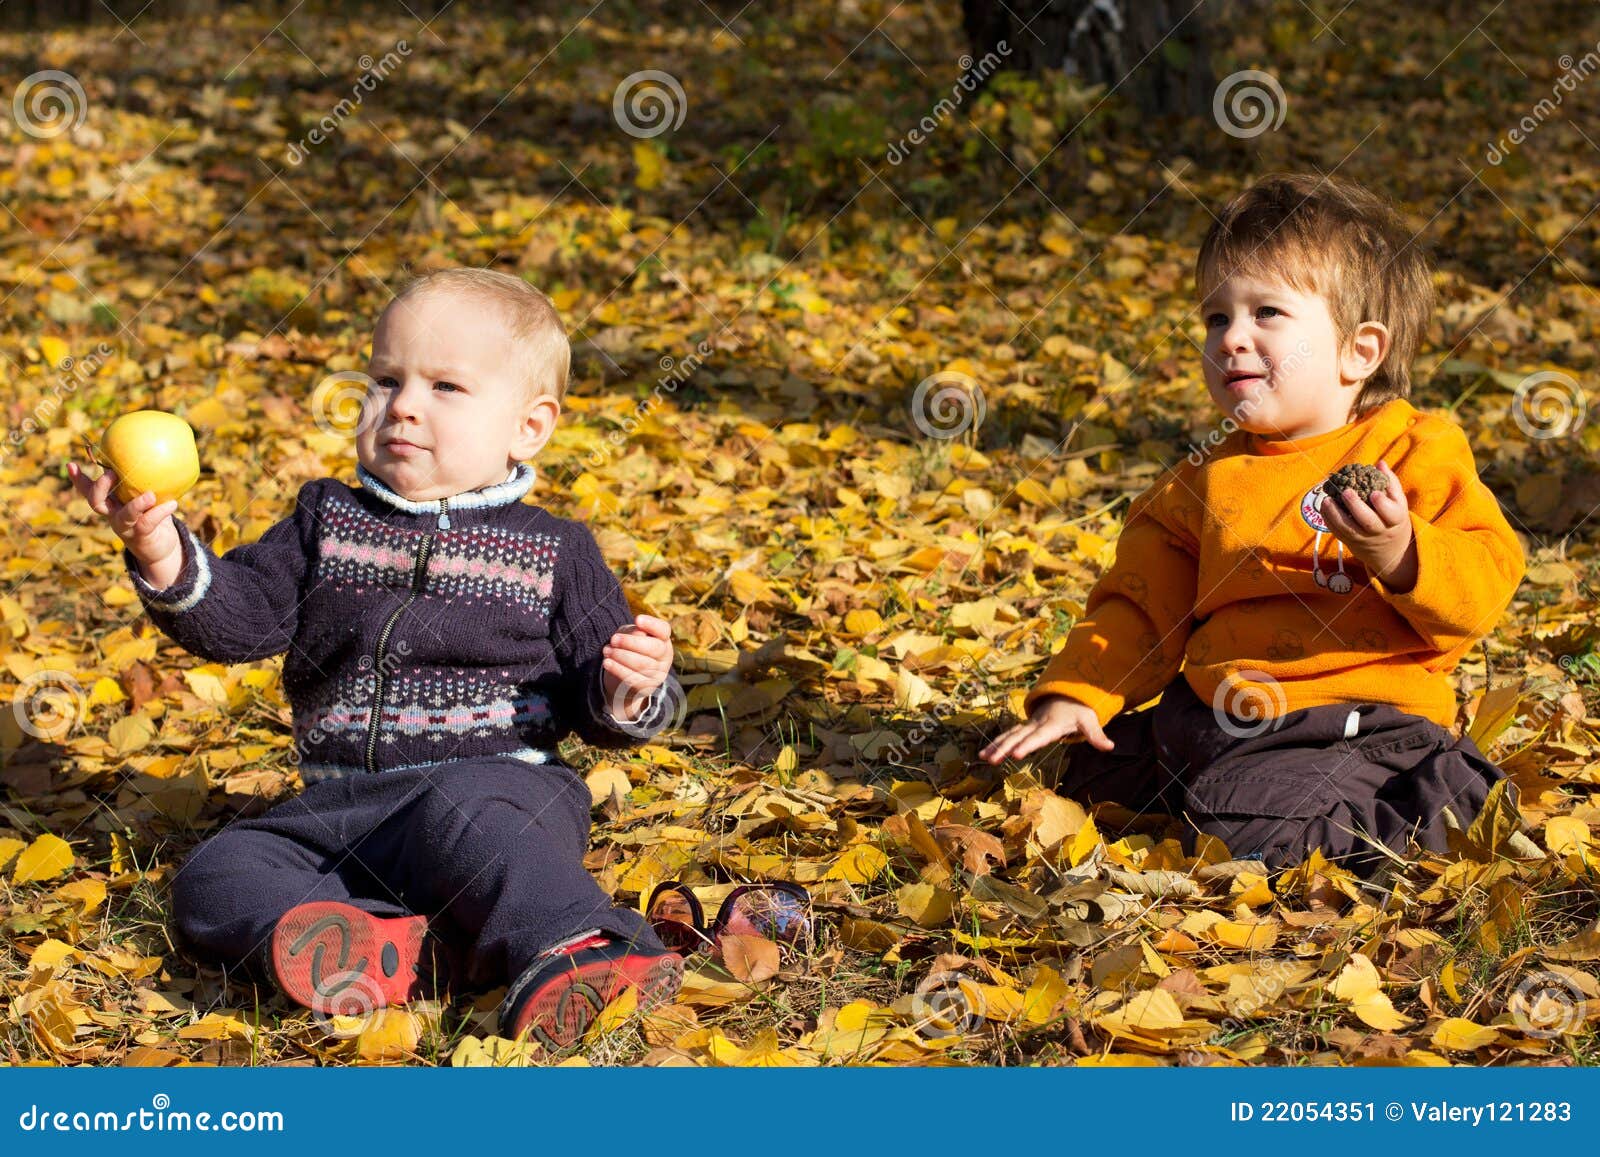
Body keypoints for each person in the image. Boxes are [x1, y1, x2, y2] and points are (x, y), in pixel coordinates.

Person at [69, 267, 684, 1048]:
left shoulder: (557, 551)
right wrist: (161, 548)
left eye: (446, 387)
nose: (403, 404)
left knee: (475, 825)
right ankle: (389, 947)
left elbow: (608, 706)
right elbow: (239, 621)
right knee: (216, 874)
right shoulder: (325, 521)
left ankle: (583, 944)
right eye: (386, 378)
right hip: (345, 809)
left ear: (528, 427)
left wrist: (631, 687)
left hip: (500, 788)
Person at [980, 173, 1526, 875]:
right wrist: (1074, 695)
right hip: (1210, 717)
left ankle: (1431, 795)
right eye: (1216, 317)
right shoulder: (1206, 476)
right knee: (1072, 771)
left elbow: (1485, 577)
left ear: (1359, 351)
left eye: (1267, 312)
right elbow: (1140, 603)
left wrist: (1401, 550)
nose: (1232, 337)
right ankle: (1224, 796)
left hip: (1351, 724)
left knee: (1253, 842)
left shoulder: (1411, 450)